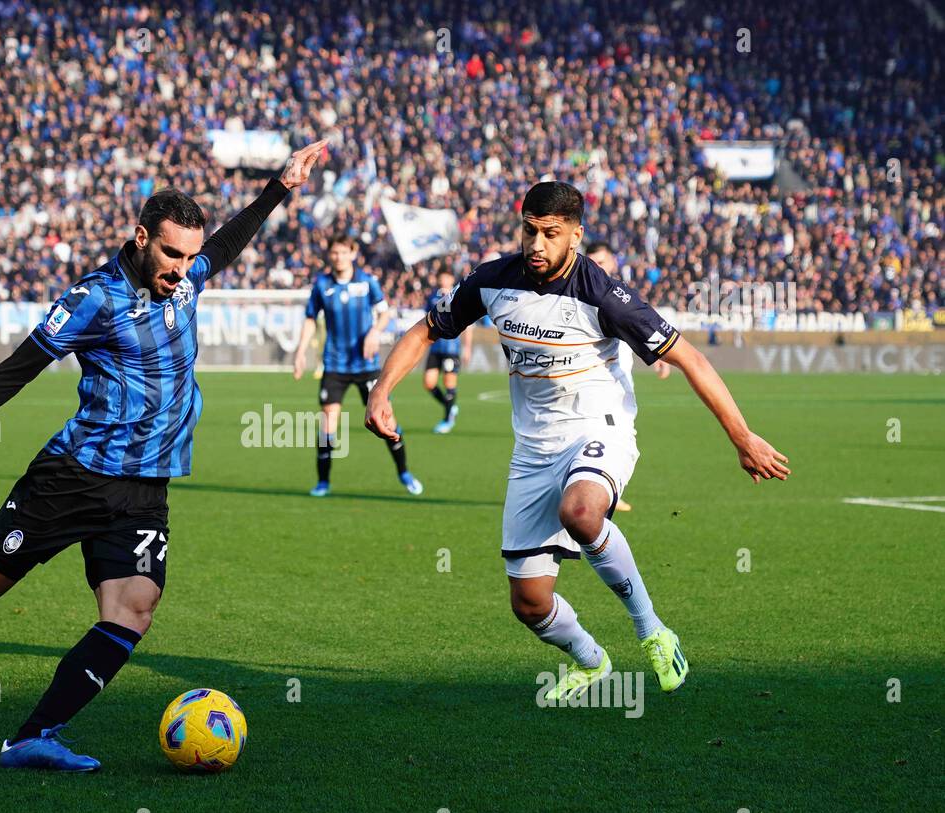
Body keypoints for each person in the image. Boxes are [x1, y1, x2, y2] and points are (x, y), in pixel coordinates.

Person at [0, 139, 329, 771]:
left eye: (190, 256)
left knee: (133, 609)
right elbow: (15, 372)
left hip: (145, 487)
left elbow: (226, 245)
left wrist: (280, 188)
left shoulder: (188, 276)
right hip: (76, 477)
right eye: (171, 253)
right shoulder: (93, 297)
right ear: (141, 236)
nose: (182, 268)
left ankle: (34, 736)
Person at [366, 182, 790, 701]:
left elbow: (690, 359)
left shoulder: (602, 293)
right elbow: (425, 331)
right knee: (529, 603)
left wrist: (741, 437)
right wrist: (382, 391)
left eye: (551, 233)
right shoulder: (491, 281)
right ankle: (592, 661)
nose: (537, 244)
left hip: (600, 428)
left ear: (575, 235)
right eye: (530, 231)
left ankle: (653, 630)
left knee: (582, 512)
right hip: (533, 451)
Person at [293, 235, 422, 497]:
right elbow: (310, 318)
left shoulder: (367, 282)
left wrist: (375, 331)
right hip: (335, 366)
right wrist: (300, 351)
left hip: (366, 365)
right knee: (327, 426)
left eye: (343, 252)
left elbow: (385, 313)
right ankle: (323, 482)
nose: (338, 257)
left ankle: (404, 473)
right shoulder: (322, 285)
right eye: (334, 253)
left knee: (386, 420)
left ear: (352, 253)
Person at [584, 240, 670, 511]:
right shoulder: (582, 296)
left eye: (602, 262)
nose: (597, 267)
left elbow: (641, 332)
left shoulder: (621, 297)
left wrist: (658, 359)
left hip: (621, 382)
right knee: (614, 438)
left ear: (612, 263)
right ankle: (600, 491)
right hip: (600, 387)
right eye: (592, 262)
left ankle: (603, 489)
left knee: (618, 437)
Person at [422, 268, 474, 433]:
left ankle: (447, 420)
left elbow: (468, 325)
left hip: (451, 348)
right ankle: (449, 405)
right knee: (429, 383)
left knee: (449, 383)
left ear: (452, 279)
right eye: (441, 277)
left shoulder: (459, 295)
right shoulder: (432, 296)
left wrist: (467, 348)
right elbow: (426, 321)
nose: (443, 280)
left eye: (447, 277)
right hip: (435, 347)